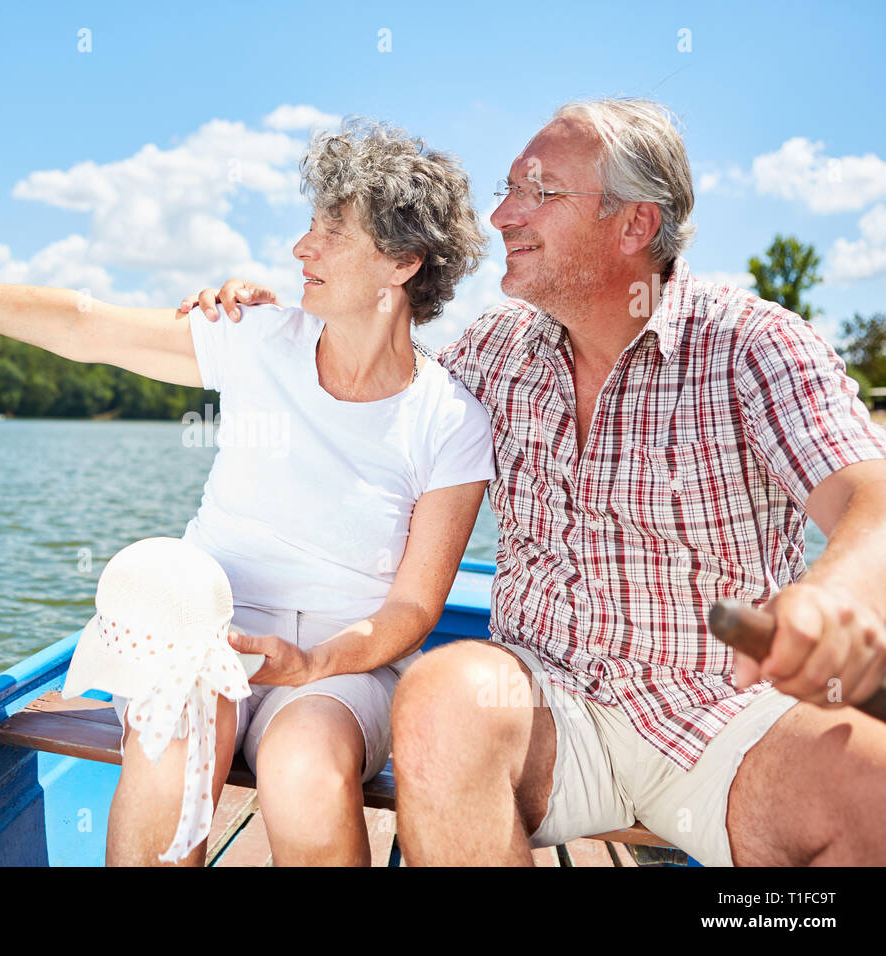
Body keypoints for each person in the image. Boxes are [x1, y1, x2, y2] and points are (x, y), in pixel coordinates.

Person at [187, 98, 886, 866]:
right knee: (442, 693)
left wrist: (832, 599)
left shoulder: (753, 345)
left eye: (536, 192)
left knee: (871, 790)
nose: (498, 216)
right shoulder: (493, 354)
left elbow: (870, 498)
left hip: (725, 716)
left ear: (634, 225)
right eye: (505, 188)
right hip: (547, 715)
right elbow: (367, 390)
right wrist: (261, 332)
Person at [0, 117, 495, 865]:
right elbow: (83, 324)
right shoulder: (255, 336)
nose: (301, 248)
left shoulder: (449, 419)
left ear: (403, 263)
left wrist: (309, 665)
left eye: (332, 231)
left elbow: (414, 609)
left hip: (339, 670)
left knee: (304, 770)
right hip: (201, 631)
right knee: (173, 736)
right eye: (309, 225)